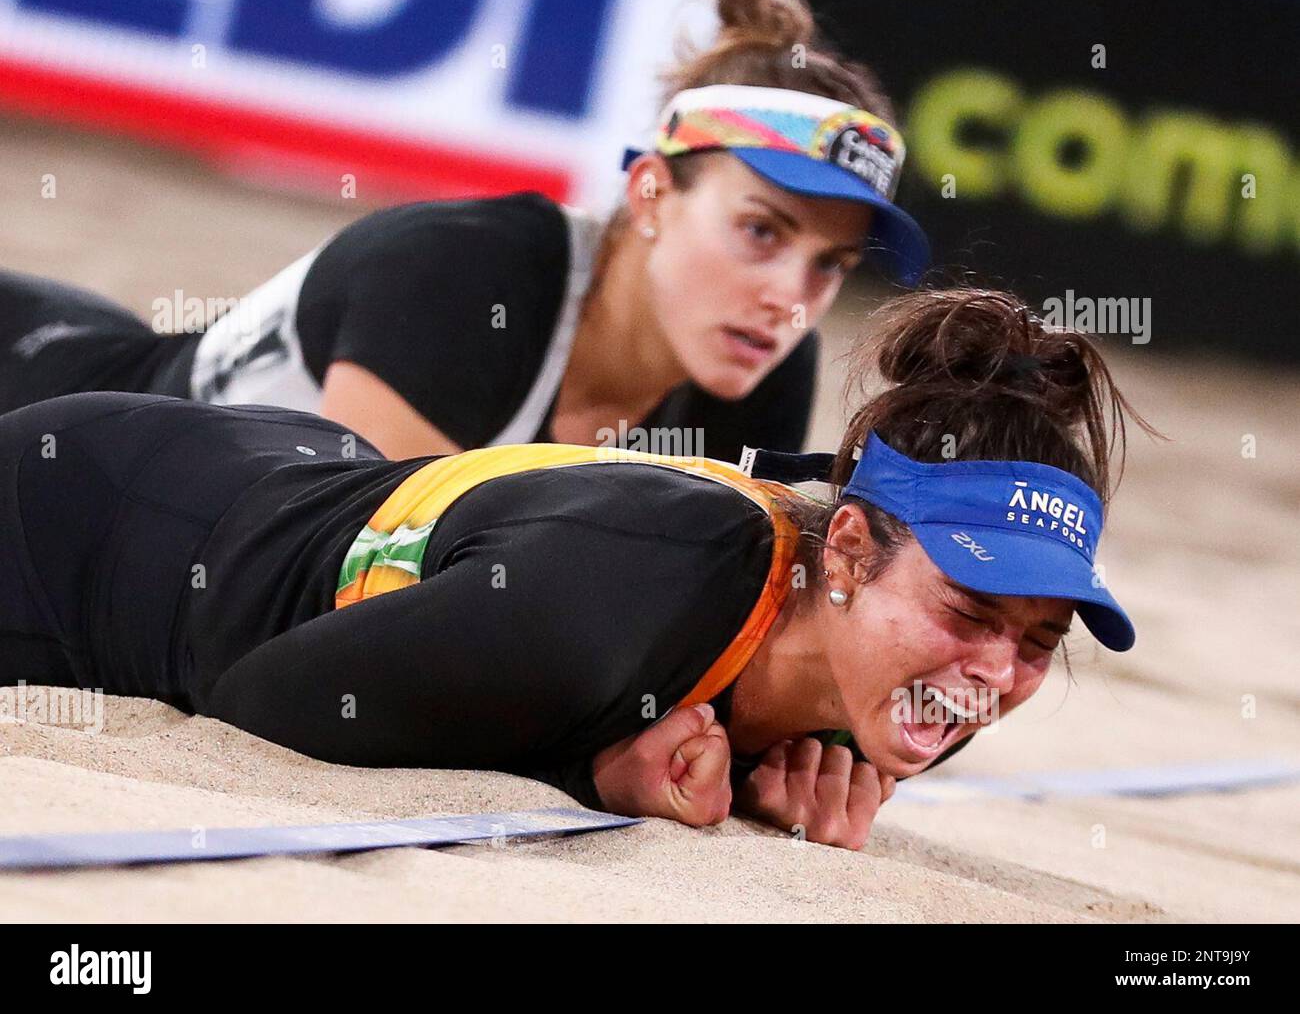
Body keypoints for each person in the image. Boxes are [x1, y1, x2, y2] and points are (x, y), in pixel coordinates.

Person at [0, 287, 1156, 850]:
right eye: (970, 611)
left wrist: (762, 779)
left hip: (288, 481)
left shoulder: (866, 654)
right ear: (846, 550)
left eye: (1042, 638)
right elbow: (263, 694)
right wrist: (588, 769)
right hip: (88, 531)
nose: (994, 670)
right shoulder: (617, 599)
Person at [0, 0, 928, 465]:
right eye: (763, 231)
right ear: (650, 192)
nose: (790, 300)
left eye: (830, 265)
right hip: (38, 389)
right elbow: (356, 589)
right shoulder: (469, 274)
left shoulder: (758, 365)